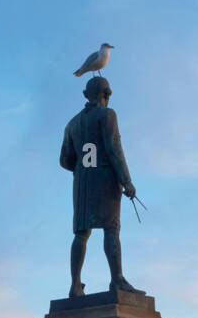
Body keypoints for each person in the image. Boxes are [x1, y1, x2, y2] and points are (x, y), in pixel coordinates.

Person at [59, 76, 141, 297]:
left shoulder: (72, 123)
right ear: (106, 94)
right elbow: (114, 148)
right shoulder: (107, 115)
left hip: (81, 184)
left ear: (86, 95)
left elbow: (65, 160)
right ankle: (117, 280)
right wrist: (126, 180)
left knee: (81, 234)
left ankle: (75, 285)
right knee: (111, 229)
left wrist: (84, 169)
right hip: (104, 179)